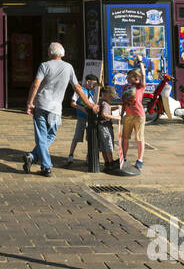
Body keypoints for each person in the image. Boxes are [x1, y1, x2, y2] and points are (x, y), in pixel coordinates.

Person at [22, 42, 96, 178]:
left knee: (42, 137)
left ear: (50, 53)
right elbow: (78, 88)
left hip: (41, 105)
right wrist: (89, 104)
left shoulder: (44, 65)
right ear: (62, 53)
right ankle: (45, 166)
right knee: (49, 136)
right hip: (56, 108)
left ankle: (33, 156)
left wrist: (29, 102)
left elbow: (36, 84)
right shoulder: (68, 67)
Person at [65, 73, 100, 166]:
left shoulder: (93, 92)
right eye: (93, 84)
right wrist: (82, 108)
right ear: (88, 82)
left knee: (90, 138)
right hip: (81, 117)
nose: (94, 86)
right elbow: (73, 103)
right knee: (77, 137)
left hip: (91, 118)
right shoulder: (80, 90)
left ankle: (89, 157)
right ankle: (71, 155)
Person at [120, 69, 146, 170]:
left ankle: (140, 160)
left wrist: (140, 62)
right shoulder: (126, 87)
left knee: (139, 138)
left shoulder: (140, 86)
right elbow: (124, 102)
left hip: (139, 116)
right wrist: (122, 114)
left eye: (129, 76)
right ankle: (124, 157)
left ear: (136, 78)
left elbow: (143, 75)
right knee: (125, 137)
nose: (127, 78)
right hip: (128, 115)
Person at [95, 85, 124, 174]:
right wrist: (116, 117)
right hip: (105, 126)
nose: (112, 99)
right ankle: (110, 162)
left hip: (103, 126)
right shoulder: (104, 103)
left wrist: (115, 107)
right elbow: (104, 114)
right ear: (105, 94)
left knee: (105, 145)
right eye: (111, 97)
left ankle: (107, 162)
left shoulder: (103, 102)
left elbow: (107, 109)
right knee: (108, 144)